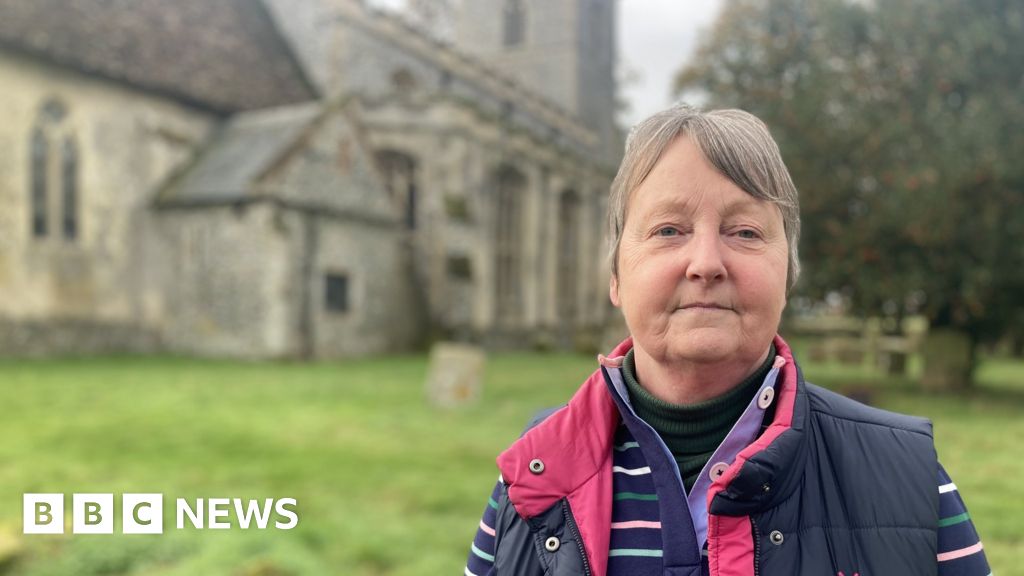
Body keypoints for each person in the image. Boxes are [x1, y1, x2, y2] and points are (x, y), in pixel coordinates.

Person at [464, 105, 990, 576]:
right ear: (616, 278)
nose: (706, 264)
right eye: (668, 230)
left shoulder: (906, 479)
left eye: (745, 232)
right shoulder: (530, 480)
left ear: (787, 273)